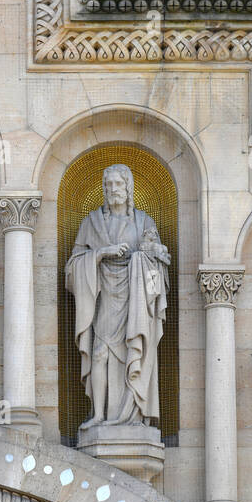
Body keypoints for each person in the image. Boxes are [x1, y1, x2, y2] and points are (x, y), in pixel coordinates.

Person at [65, 163, 170, 429]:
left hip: (136, 300)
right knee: (99, 352)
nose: (113, 189)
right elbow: (72, 267)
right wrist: (101, 254)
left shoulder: (144, 222)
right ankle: (99, 415)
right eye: (108, 184)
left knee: (134, 350)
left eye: (118, 184)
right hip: (103, 295)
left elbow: (158, 265)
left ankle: (133, 415)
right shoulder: (92, 222)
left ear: (128, 187)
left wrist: (148, 258)